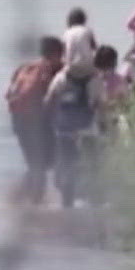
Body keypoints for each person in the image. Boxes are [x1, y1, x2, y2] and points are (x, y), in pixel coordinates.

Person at [4, 35, 64, 207]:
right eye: (60, 54)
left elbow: (10, 93)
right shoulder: (48, 71)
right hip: (34, 123)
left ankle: (21, 200)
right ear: (55, 54)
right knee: (43, 165)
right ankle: (33, 205)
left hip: (18, 120)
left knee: (37, 164)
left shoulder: (24, 68)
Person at [44, 43, 106, 209]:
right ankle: (95, 202)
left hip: (65, 128)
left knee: (67, 163)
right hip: (88, 128)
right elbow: (101, 105)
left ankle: (67, 203)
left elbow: (48, 100)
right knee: (93, 164)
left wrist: (52, 120)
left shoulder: (61, 77)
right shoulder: (95, 79)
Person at [61, 7, 98, 78]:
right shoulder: (87, 31)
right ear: (84, 20)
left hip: (71, 67)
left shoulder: (66, 33)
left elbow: (63, 51)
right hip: (88, 67)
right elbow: (95, 48)